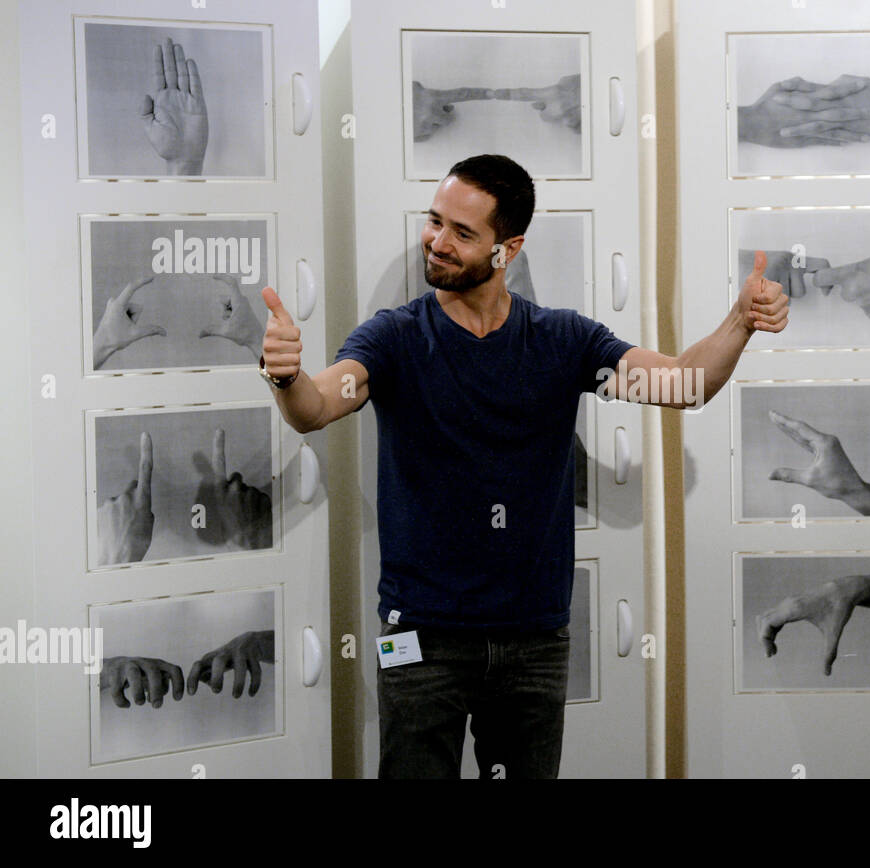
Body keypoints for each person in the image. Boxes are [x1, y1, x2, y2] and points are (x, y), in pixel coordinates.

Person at [257, 153, 789, 778]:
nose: (437, 242)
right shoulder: (395, 338)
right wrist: (285, 375)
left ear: (508, 249)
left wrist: (740, 321)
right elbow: (316, 408)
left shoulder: (565, 341)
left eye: (462, 232)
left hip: (535, 638)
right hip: (419, 636)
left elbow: (681, 385)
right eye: (435, 222)